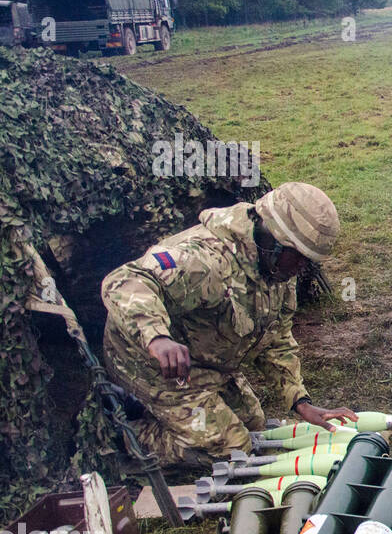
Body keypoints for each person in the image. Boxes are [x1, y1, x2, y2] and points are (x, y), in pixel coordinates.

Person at [101, 182, 358, 468]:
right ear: (273, 237)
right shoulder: (205, 259)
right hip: (148, 363)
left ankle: (158, 413)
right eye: (298, 256)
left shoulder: (276, 272)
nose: (301, 267)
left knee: (254, 425)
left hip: (204, 364)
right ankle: (117, 435)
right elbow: (125, 281)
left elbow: (277, 340)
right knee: (232, 448)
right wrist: (156, 338)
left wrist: (300, 400)